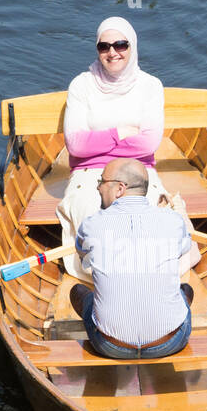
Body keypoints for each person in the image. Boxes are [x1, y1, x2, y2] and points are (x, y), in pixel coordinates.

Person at [57, 16, 171, 280]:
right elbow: (74, 144)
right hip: (90, 172)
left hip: (138, 170)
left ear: (132, 46)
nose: (112, 52)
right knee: (89, 215)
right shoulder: (81, 85)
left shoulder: (150, 86)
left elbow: (149, 142)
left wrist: (96, 143)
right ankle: (104, 275)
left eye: (120, 44)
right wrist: (120, 133)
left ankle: (144, 273)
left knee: (150, 220)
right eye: (104, 46)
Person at [70, 158, 199, 359]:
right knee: (186, 290)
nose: (98, 188)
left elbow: (82, 256)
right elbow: (183, 250)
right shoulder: (173, 220)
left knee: (78, 292)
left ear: (120, 188)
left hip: (110, 346)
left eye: (102, 182)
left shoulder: (91, 224)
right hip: (170, 342)